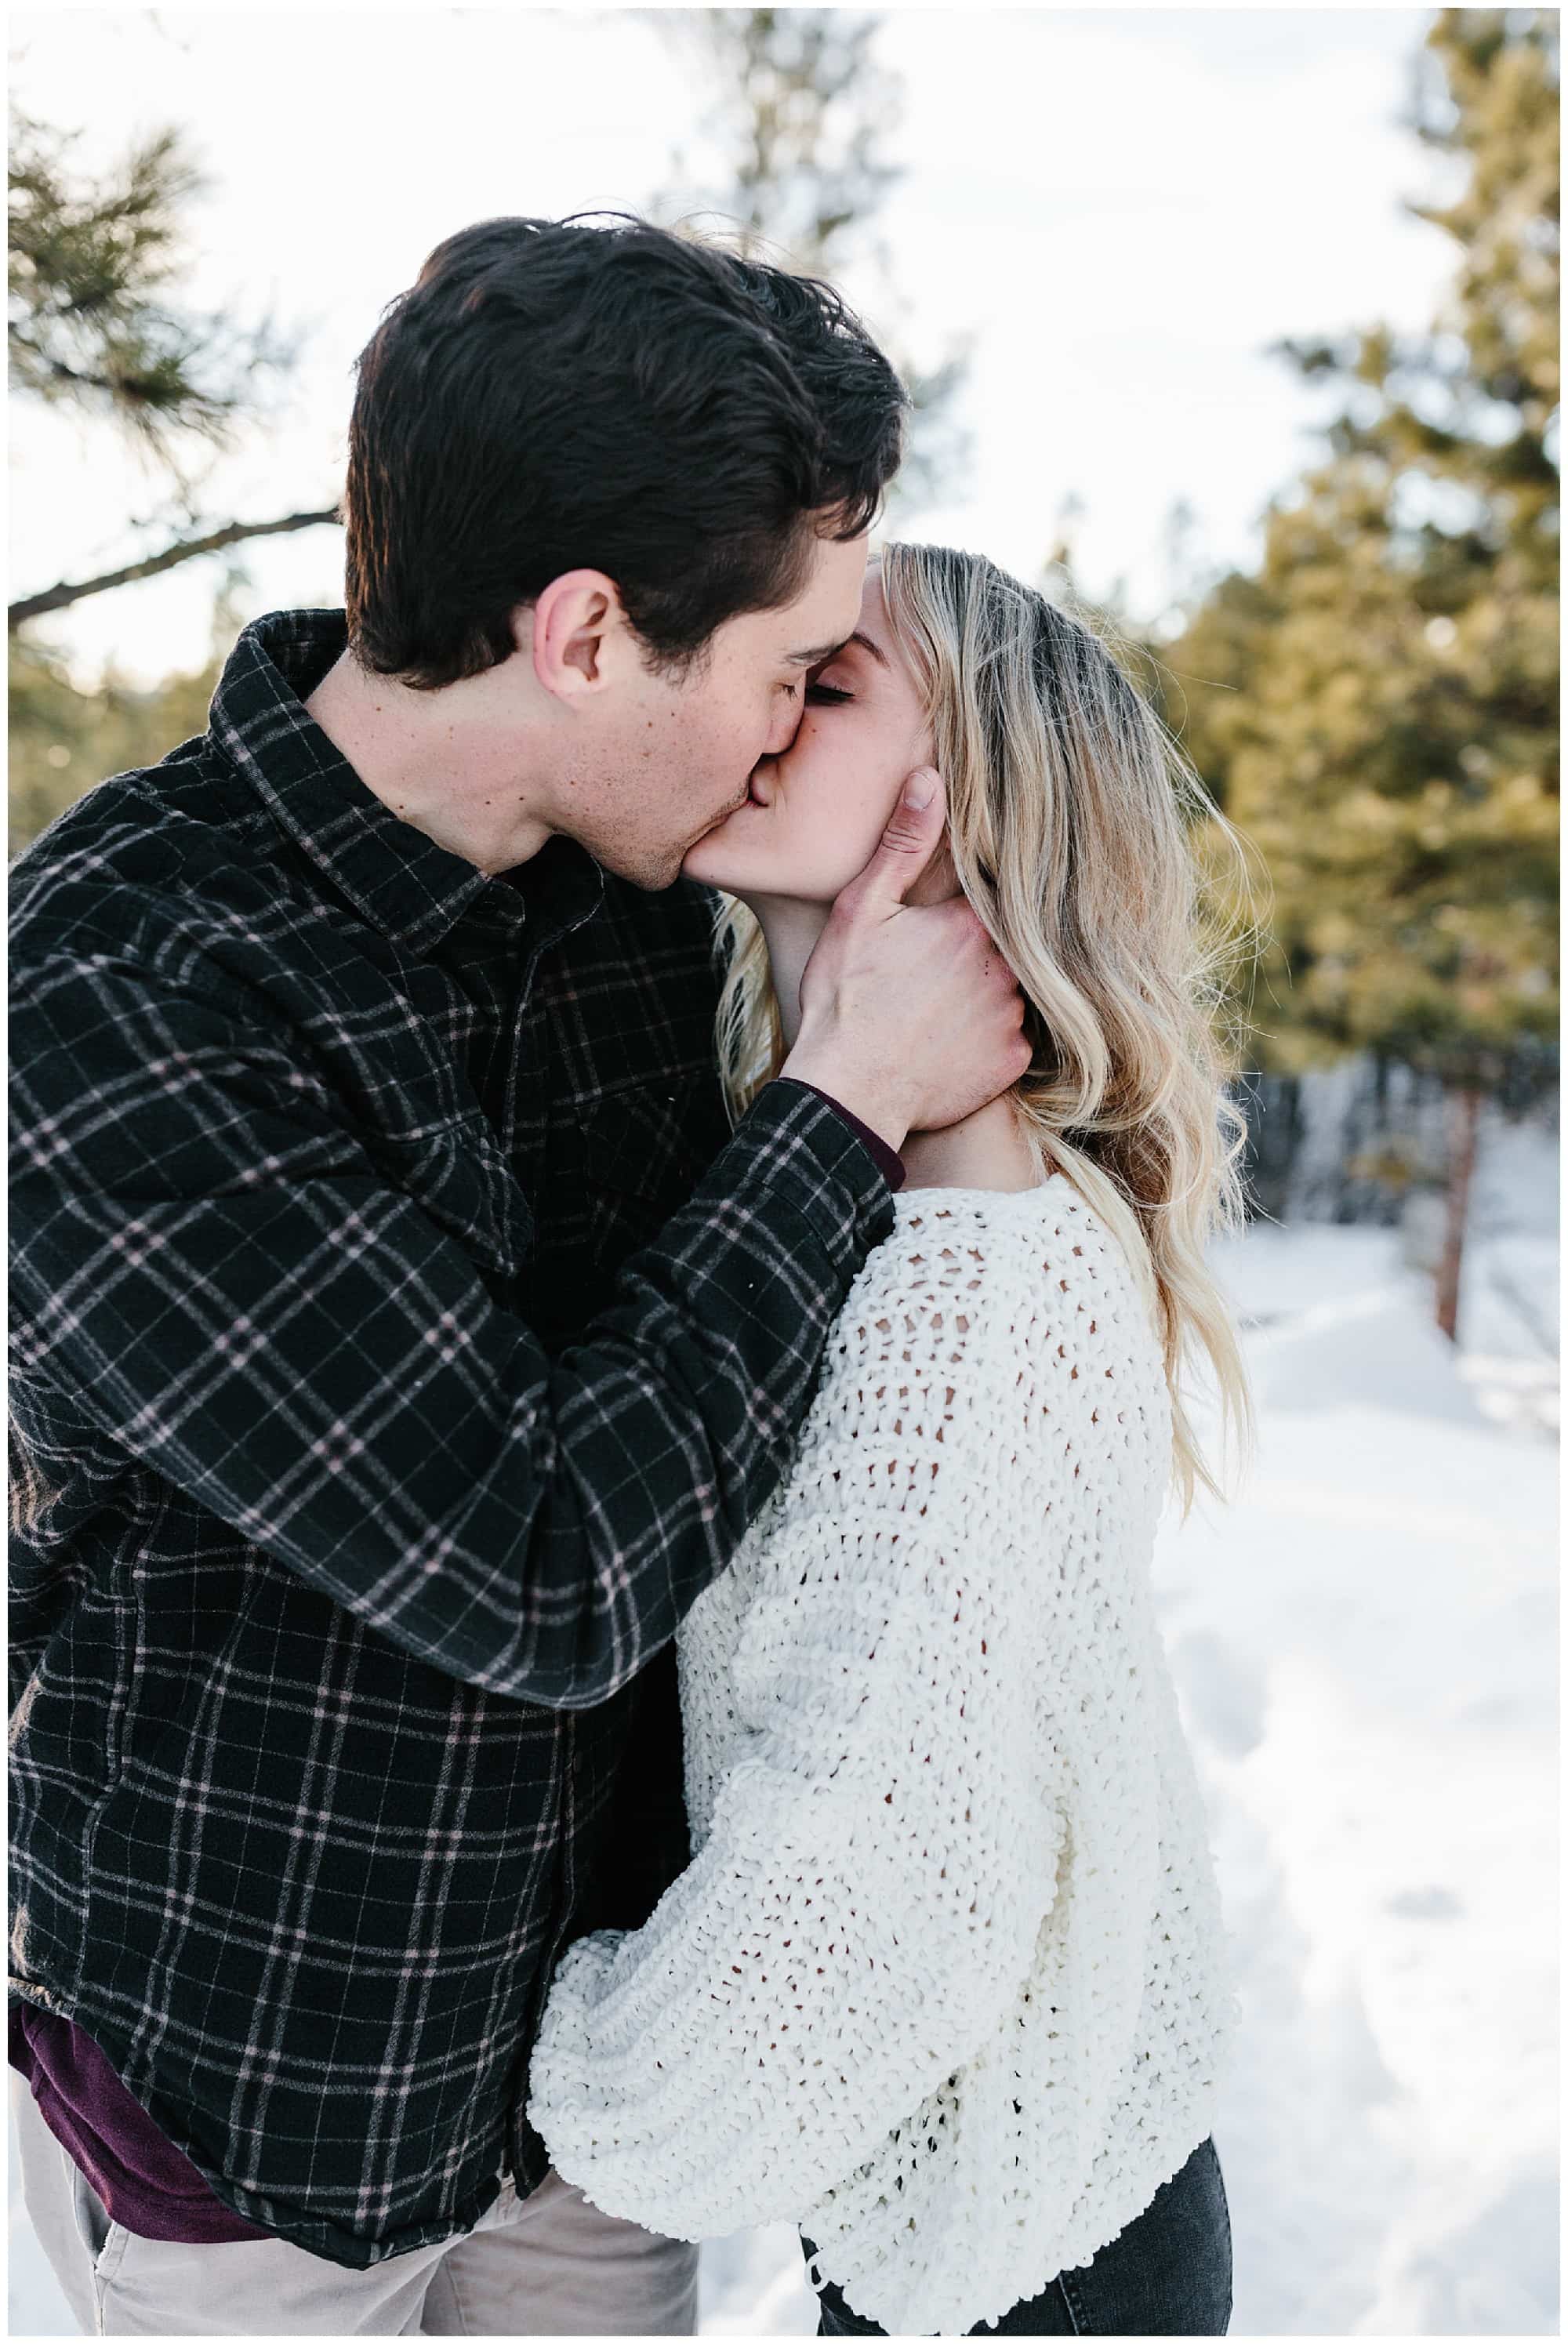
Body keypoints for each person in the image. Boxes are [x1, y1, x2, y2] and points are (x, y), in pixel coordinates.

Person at [7, 216, 1033, 2338]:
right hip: (257, 2099)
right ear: (583, 634)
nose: (783, 735)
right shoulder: (127, 987)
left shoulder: (635, 885)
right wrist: (841, 1098)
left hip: (578, 2063)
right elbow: (540, 1558)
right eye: (781, 668)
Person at [527, 542, 1257, 2336]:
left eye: (826, 686)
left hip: (1035, 2270)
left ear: (955, 806)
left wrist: (549, 2077)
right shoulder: (870, 1191)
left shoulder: (963, 1284)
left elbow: (869, 1892)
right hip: (1027, 2213)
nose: (755, 706)